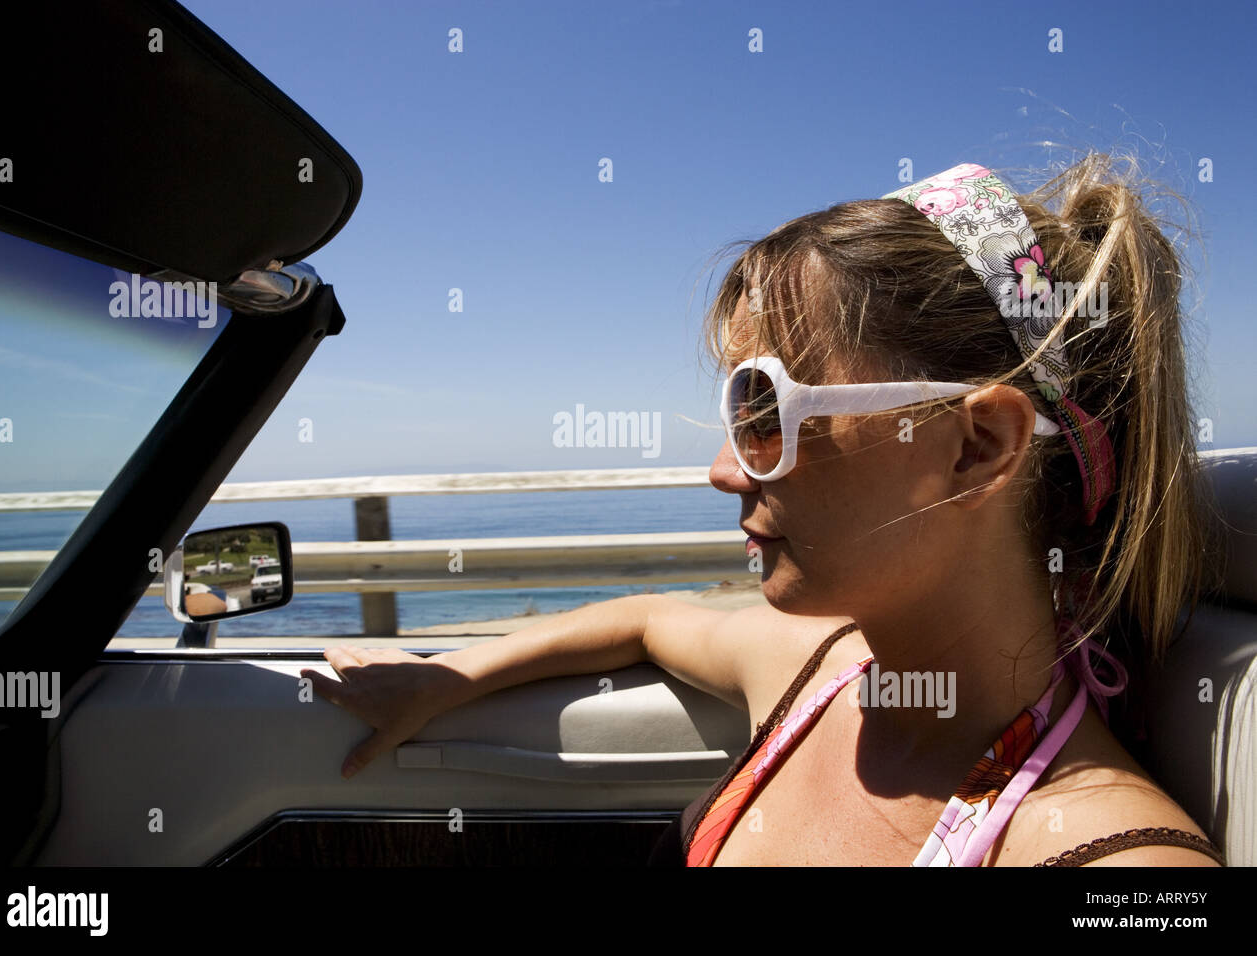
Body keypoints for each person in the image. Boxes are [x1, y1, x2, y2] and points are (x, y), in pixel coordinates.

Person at [302, 153, 1224, 866]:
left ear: (977, 447)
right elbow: (647, 617)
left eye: (766, 410)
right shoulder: (821, 668)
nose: (721, 470)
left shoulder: (1104, 857)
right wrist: (452, 677)